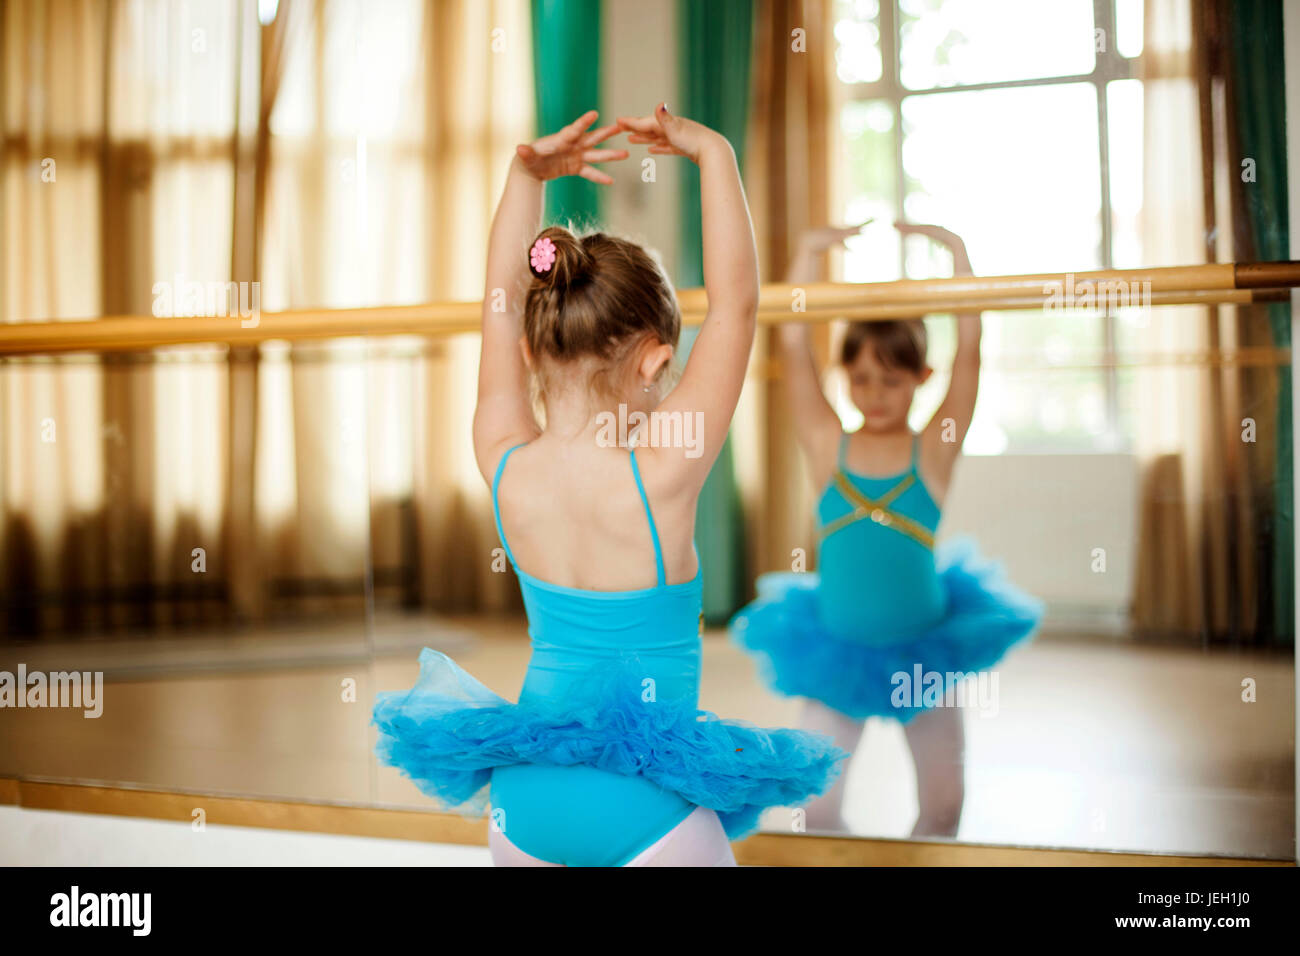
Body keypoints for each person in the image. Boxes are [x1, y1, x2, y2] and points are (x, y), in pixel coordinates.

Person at [373, 106, 845, 867]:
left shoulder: (502, 462)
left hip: (522, 809)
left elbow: (495, 308)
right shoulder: (664, 468)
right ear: (657, 363)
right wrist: (715, 151)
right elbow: (738, 305)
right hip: (645, 811)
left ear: (532, 349)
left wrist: (525, 175)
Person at [731, 221, 1042, 836]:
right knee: (813, 810)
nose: (874, 394)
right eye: (861, 378)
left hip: (923, 650)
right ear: (844, 374)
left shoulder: (934, 452)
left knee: (945, 806)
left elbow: (972, 353)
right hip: (836, 649)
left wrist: (958, 253)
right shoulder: (827, 445)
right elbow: (793, 349)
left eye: (892, 380)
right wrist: (808, 252)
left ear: (921, 379)